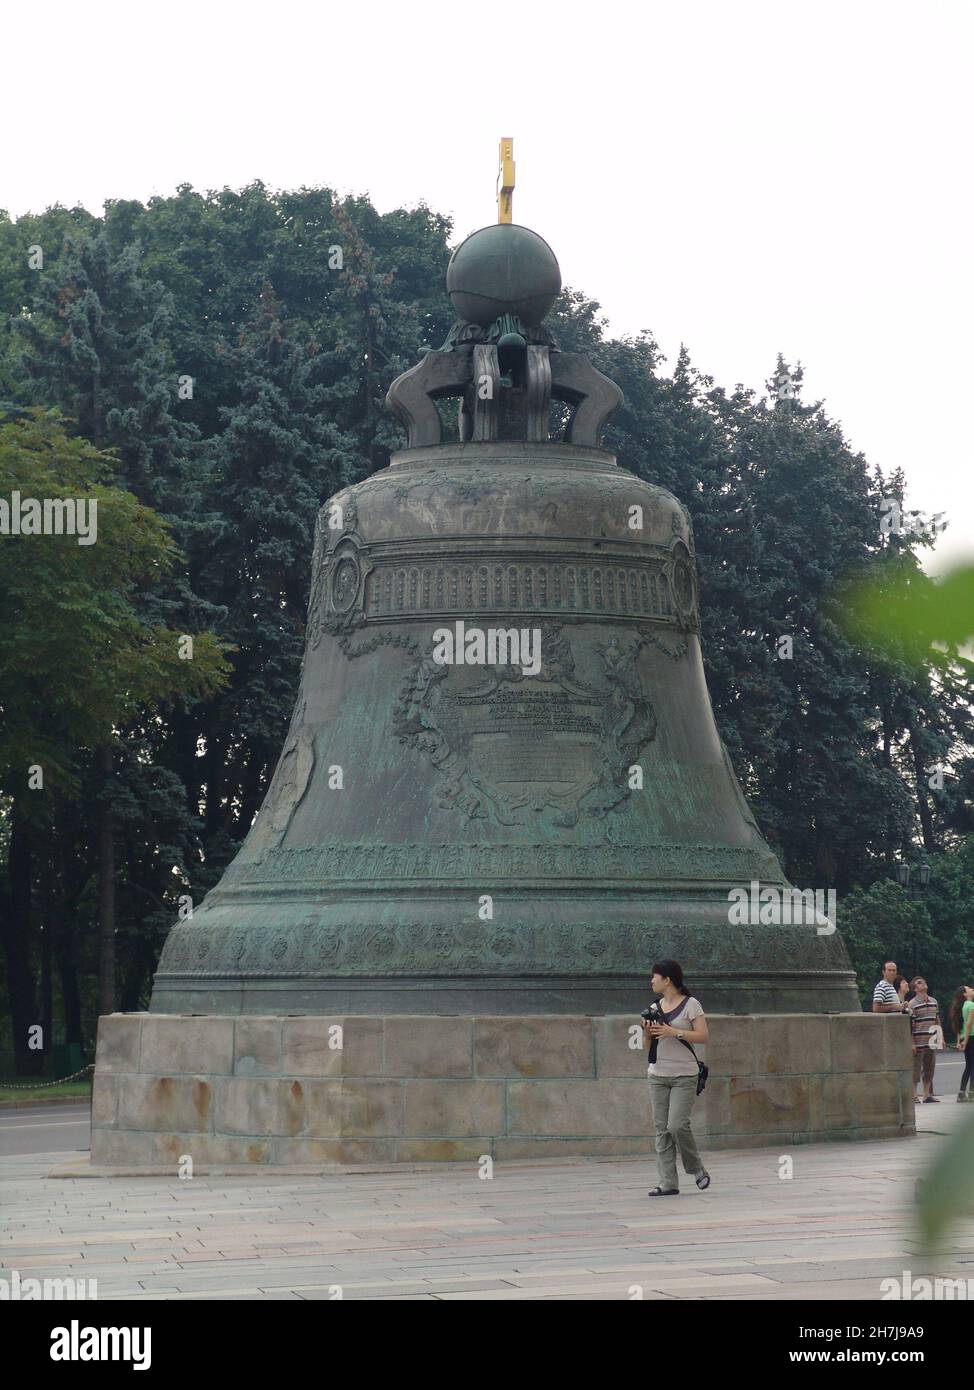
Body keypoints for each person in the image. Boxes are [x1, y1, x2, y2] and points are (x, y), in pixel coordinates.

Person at [642, 958, 710, 1197]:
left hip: (684, 1075)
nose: (651, 980)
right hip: (658, 1074)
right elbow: (646, 1046)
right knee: (661, 1130)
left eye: (655, 976)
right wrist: (648, 1032)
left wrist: (673, 1031)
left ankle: (696, 1168)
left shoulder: (691, 1004)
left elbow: (702, 1036)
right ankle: (667, 1182)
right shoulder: (654, 1007)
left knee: (677, 1125)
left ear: (667, 979)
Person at [908, 976, 941, 1103]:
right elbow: (910, 1026)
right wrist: (912, 1043)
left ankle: (926, 1095)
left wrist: (939, 1037)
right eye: (920, 983)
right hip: (918, 1041)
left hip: (931, 1040)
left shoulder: (934, 1001)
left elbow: (936, 1019)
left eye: (924, 981)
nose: (924, 984)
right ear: (915, 989)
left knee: (929, 1069)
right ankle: (914, 1095)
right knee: (916, 1070)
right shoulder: (912, 1004)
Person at [949, 984, 974, 1102]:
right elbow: (969, 1024)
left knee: (968, 1066)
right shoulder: (971, 1005)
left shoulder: (962, 1006)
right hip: (972, 1037)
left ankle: (961, 1092)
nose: (972, 989)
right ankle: (972, 1092)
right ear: (965, 994)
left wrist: (961, 1041)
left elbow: (960, 1026)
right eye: (969, 989)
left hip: (966, 1037)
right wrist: (967, 1040)